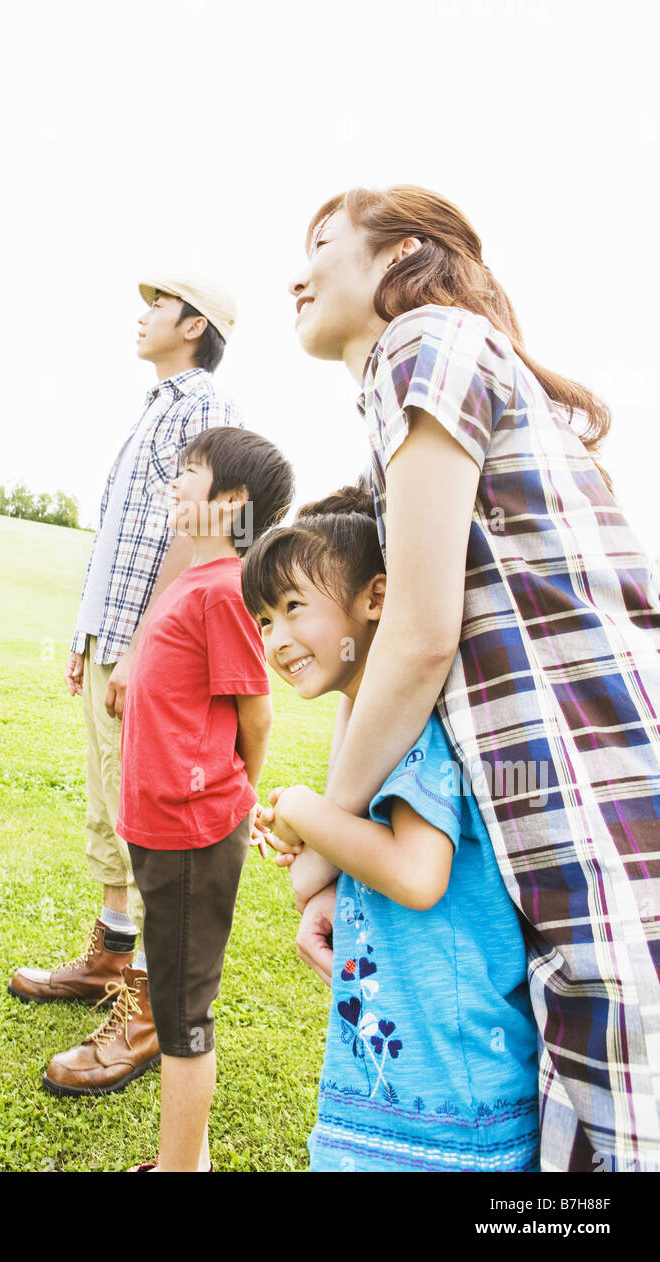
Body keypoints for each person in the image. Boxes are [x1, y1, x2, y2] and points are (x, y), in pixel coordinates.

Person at [282, 185, 660, 1172]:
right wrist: (343, 859)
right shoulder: (401, 405)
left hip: (601, 803)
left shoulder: (427, 342)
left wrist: (322, 835)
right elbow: (387, 663)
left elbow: (415, 636)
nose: (297, 269)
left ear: (401, 253)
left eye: (322, 241)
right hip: (559, 812)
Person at [245, 486, 541, 1172]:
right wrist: (316, 855)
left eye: (293, 608)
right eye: (263, 620)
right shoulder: (369, 729)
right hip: (395, 1089)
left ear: (374, 598)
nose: (277, 638)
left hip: (452, 1105)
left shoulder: (419, 726)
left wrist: (300, 809)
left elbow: (416, 872)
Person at [10, 274, 243, 1097]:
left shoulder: (202, 403)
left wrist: (147, 643)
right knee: (107, 797)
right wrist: (90, 633)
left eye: (157, 302)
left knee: (145, 812)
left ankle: (147, 1002)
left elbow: (208, 528)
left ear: (194, 323)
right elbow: (123, 527)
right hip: (114, 633)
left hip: (152, 643)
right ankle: (112, 951)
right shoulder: (158, 403)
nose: (142, 314)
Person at [113, 425, 295, 1171]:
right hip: (160, 825)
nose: (174, 484)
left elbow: (256, 713)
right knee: (173, 992)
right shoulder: (191, 577)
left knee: (183, 1018)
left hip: (193, 832)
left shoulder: (225, 590)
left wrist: (236, 798)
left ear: (232, 502)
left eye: (189, 473)